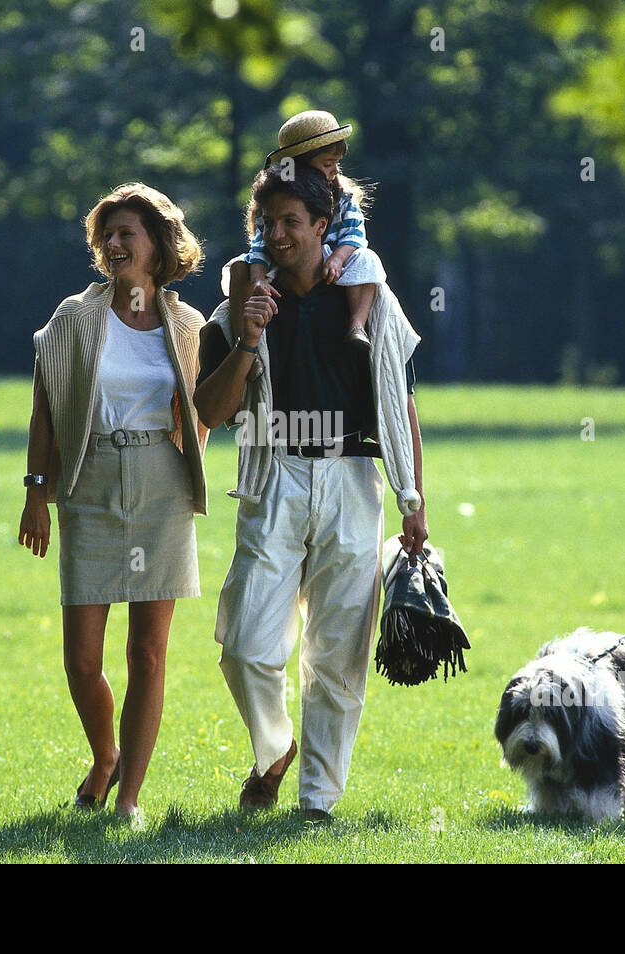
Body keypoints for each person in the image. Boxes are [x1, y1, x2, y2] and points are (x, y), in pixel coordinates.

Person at [194, 165, 428, 823]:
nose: (278, 234)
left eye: (291, 221)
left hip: (354, 479)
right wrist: (247, 338)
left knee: (338, 656)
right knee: (243, 643)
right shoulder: (239, 304)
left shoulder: (369, 297)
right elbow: (208, 411)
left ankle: (318, 801)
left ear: (323, 227)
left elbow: (401, 401)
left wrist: (414, 500)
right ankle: (275, 748)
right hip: (274, 475)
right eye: (266, 224)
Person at [18, 182, 206, 823]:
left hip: (162, 478)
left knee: (148, 652)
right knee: (82, 658)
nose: (116, 244)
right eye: (109, 236)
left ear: (159, 245)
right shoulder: (74, 317)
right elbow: (46, 408)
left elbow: (199, 416)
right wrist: (35, 490)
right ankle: (106, 756)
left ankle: (128, 799)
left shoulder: (186, 324)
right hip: (88, 475)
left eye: (129, 233)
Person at [227, 109, 377, 353]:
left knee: (368, 260)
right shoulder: (272, 199)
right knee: (238, 268)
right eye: (328, 164)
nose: (335, 171)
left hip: (338, 259)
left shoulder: (344, 197)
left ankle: (357, 325)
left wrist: (338, 259)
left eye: (336, 164)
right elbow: (259, 245)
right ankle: (243, 343)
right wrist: (258, 278)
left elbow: (354, 235)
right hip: (282, 259)